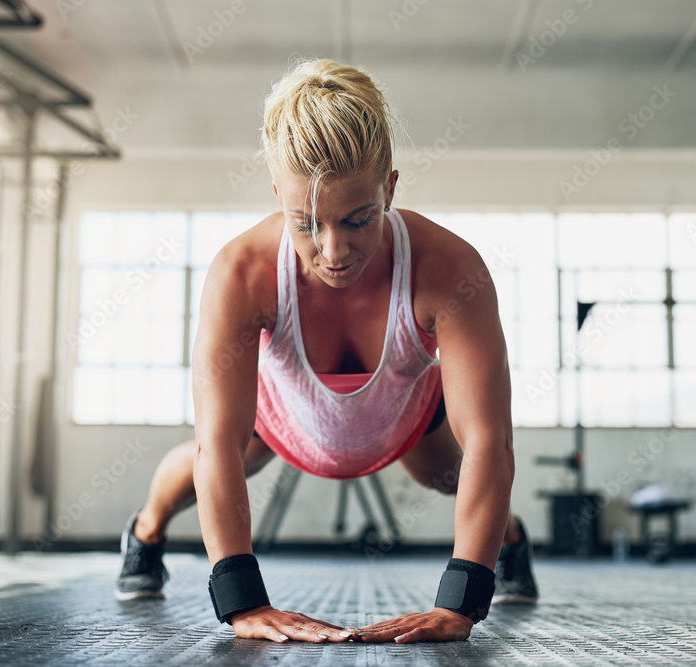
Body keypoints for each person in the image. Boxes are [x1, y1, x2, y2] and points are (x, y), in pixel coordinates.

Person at [116, 58, 538, 644]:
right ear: (277, 197)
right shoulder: (242, 272)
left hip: (405, 416)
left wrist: (462, 602)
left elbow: (490, 440)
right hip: (283, 414)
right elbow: (217, 443)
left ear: (390, 187)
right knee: (217, 458)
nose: (333, 250)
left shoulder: (448, 270)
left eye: (359, 220)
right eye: (306, 223)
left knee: (450, 476)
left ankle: (509, 539)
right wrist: (243, 604)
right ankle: (144, 532)